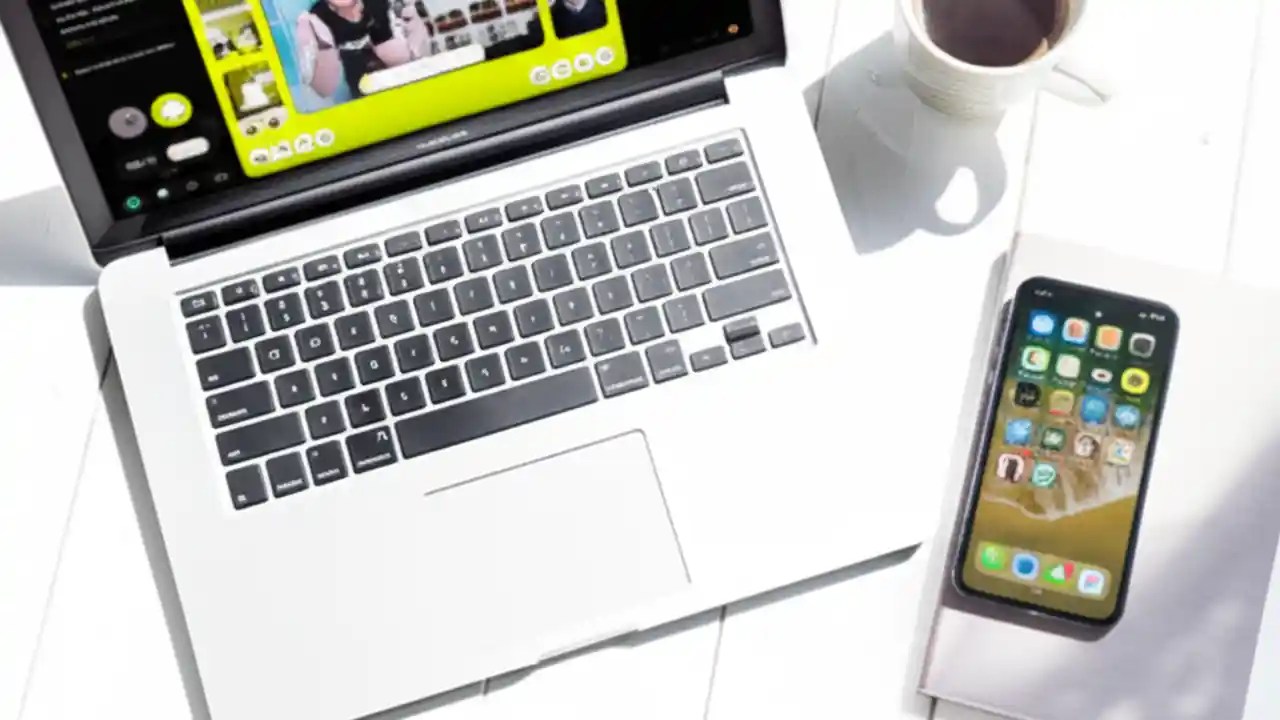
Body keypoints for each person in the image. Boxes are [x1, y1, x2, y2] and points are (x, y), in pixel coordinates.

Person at [294, 0, 431, 100]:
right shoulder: (317, 16)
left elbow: (393, 42)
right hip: (353, 66)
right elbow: (322, 83)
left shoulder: (377, 6)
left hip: (392, 59)